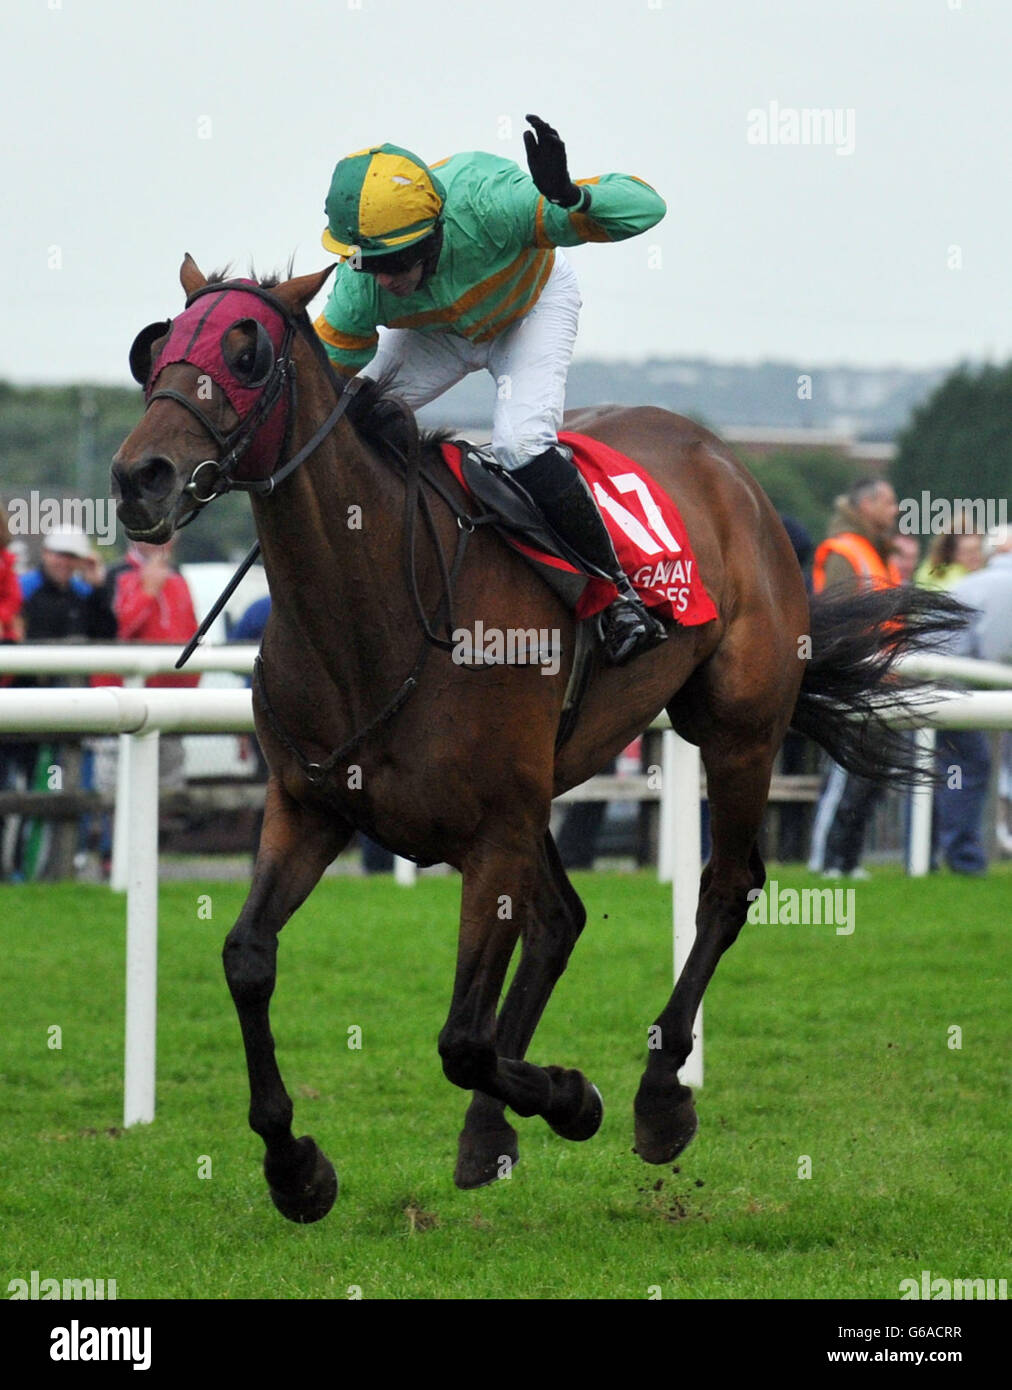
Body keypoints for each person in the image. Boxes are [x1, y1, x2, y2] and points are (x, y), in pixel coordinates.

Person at [315, 116, 668, 665]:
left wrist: (573, 197)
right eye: (368, 263)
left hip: (530, 308)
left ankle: (617, 595)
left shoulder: (493, 204)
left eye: (395, 261)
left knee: (520, 446)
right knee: (342, 424)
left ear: (434, 230)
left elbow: (648, 207)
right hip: (439, 335)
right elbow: (321, 385)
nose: (383, 279)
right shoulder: (357, 289)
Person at [808, 479, 900, 878]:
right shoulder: (847, 550)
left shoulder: (877, 552)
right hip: (857, 674)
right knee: (846, 775)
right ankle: (827, 860)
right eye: (889, 502)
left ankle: (849, 859)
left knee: (871, 775)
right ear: (866, 506)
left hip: (883, 673)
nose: (896, 509)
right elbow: (840, 613)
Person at [931, 528, 1012, 874]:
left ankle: (937, 852)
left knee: (948, 770)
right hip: (957, 686)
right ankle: (963, 857)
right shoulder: (991, 585)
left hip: (941, 684)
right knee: (968, 766)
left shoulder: (970, 584)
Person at [114, 538, 199, 790]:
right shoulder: (119, 576)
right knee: (123, 787)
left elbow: (191, 632)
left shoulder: (179, 580)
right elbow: (122, 629)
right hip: (130, 703)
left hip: (174, 702)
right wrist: (148, 592)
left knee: (170, 790)